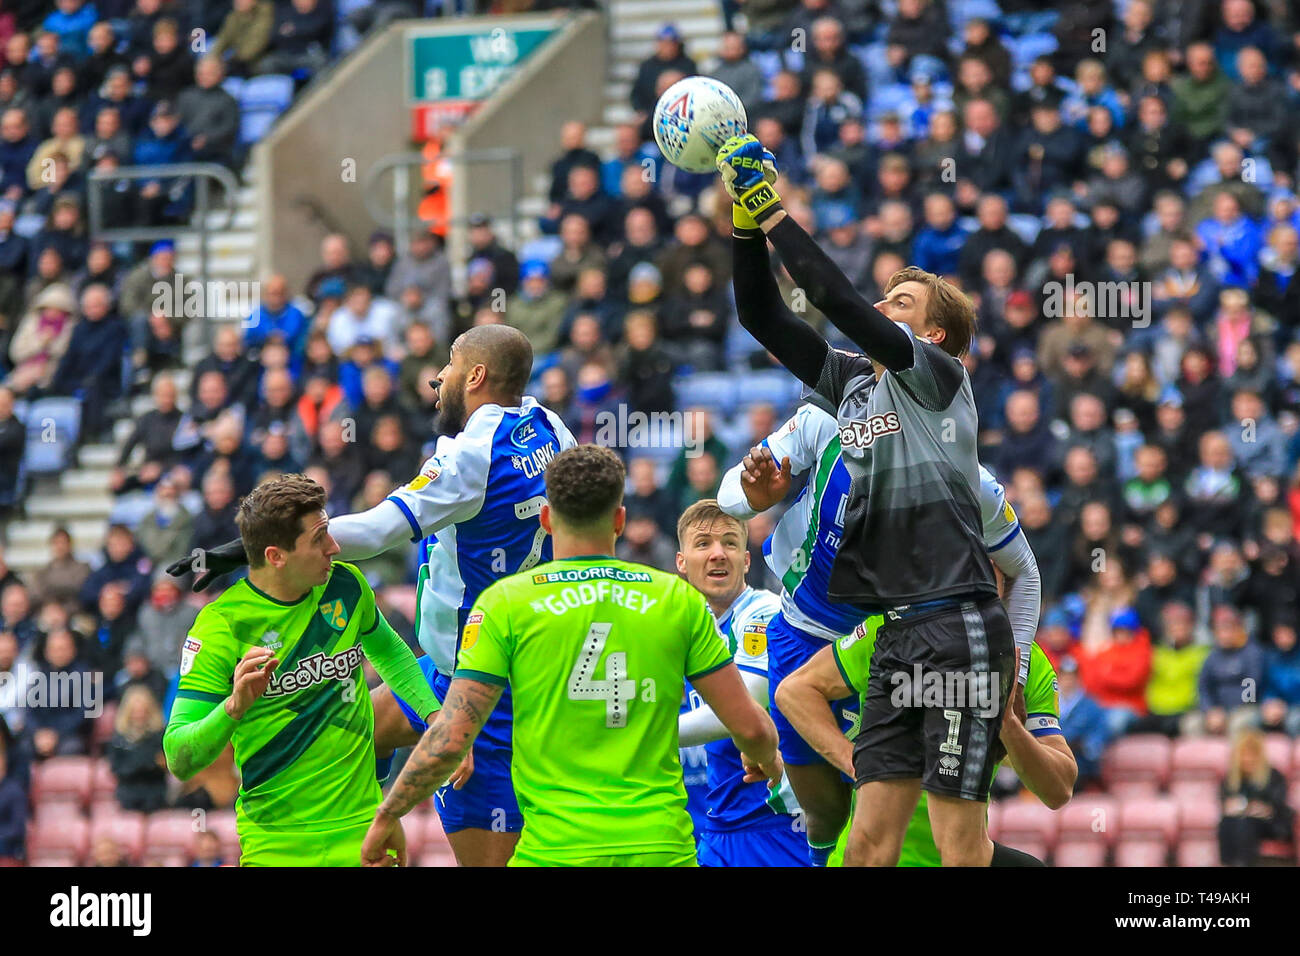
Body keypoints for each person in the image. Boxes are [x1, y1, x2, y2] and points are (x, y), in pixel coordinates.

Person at [168, 325, 576, 867]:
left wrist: (261, 545)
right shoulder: (550, 426)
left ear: (476, 376)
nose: (437, 379)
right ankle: (364, 810)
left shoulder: (472, 458)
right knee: (368, 724)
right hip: (471, 658)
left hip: (479, 675)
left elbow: (381, 530)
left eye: (449, 366)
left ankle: (384, 814)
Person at [716, 133, 1016, 866]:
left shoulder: (937, 376)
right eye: (887, 296)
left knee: (956, 842)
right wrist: (744, 227)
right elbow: (765, 316)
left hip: (956, 618)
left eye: (902, 302)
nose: (884, 305)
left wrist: (772, 206)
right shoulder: (852, 383)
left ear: (934, 332)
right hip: (889, 634)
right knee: (868, 844)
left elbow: (832, 297)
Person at [360, 445, 781, 867]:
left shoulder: (505, 605)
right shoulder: (674, 598)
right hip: (658, 846)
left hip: (555, 850)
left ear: (546, 519)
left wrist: (388, 813)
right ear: (620, 520)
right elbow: (747, 722)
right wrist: (764, 755)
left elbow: (452, 735)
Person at [162, 473, 439, 866]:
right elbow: (179, 757)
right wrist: (234, 708)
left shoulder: (346, 585)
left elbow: (391, 652)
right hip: (277, 844)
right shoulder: (222, 625)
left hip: (363, 834)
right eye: (319, 538)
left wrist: (435, 718)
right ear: (275, 556)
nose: (335, 546)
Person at [780, 631, 1076, 866]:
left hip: (963, 855)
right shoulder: (888, 630)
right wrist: (853, 761)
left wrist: (1009, 727)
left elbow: (1058, 788)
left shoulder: (1025, 660)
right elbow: (794, 691)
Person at [674, 500, 805, 866]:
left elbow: (744, 707)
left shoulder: (764, 612)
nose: (718, 554)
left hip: (779, 824)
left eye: (730, 543)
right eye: (703, 544)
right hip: (719, 825)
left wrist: (646, 731)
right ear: (681, 562)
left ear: (746, 561)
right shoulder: (689, 626)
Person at [1218, 728, 1294, 866]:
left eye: (1251, 755)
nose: (1248, 759)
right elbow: (1225, 802)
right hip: (1240, 821)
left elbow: (1279, 807)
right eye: (1244, 755)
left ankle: (1243, 863)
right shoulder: (1231, 778)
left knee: (1245, 823)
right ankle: (1227, 863)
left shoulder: (1274, 776)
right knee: (1228, 821)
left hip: (1270, 824)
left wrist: (1264, 809)